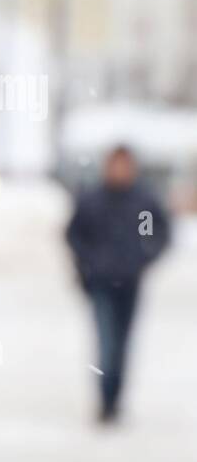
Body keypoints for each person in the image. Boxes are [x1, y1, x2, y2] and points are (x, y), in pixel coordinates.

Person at [65, 145, 171, 424]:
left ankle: (116, 399)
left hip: (130, 283)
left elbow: (155, 233)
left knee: (123, 344)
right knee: (106, 341)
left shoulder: (142, 203)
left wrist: (143, 257)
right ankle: (105, 399)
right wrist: (89, 262)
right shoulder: (93, 200)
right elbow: (75, 234)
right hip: (100, 283)